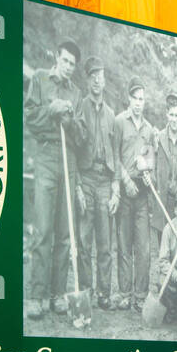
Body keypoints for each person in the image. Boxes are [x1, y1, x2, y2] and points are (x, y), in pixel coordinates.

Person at [23, 39, 82, 317]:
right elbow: (30, 118)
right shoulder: (39, 79)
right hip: (46, 156)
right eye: (66, 60)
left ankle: (58, 294)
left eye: (73, 63)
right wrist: (51, 110)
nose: (69, 67)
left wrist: (69, 119)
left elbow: (83, 137)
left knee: (64, 232)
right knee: (43, 228)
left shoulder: (77, 93)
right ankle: (36, 296)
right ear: (57, 58)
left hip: (68, 159)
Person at [74, 57, 118, 312]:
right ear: (88, 80)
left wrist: (115, 187)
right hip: (86, 178)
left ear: (104, 79)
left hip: (104, 180)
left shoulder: (111, 114)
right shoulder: (80, 107)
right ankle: (86, 291)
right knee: (83, 239)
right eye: (92, 76)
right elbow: (74, 147)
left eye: (100, 76)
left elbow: (116, 153)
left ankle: (104, 293)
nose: (97, 80)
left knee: (105, 241)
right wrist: (78, 185)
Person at [113, 78, 156, 309]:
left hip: (142, 194)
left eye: (142, 99)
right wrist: (125, 180)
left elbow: (149, 158)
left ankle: (140, 296)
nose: (139, 103)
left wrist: (148, 171)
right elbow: (114, 155)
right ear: (129, 99)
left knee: (144, 248)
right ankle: (123, 294)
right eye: (135, 98)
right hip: (123, 189)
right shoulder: (119, 121)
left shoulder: (149, 128)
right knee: (123, 244)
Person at [151, 94, 177, 235]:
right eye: (171, 115)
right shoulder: (159, 138)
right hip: (163, 198)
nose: (174, 119)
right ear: (166, 115)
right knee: (163, 242)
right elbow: (153, 167)